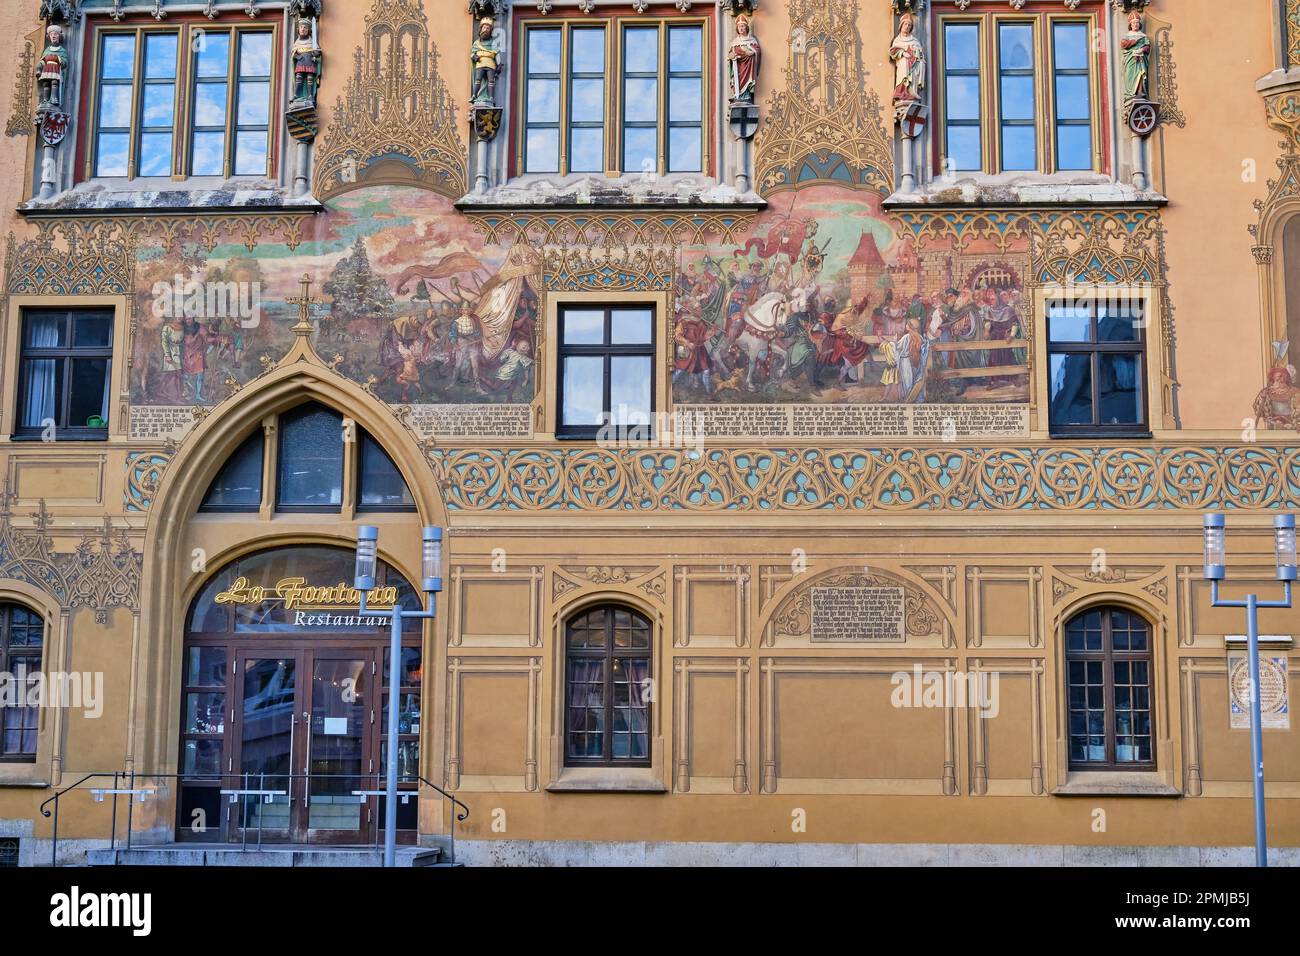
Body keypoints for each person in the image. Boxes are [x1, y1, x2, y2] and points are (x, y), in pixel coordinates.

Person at [889, 13, 925, 106]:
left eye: (909, 25)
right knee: (903, 68)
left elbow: (920, 52)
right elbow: (893, 51)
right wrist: (902, 53)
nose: (907, 27)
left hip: (913, 64)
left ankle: (912, 92)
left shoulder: (914, 40)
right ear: (901, 26)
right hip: (903, 63)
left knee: (919, 65)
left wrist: (916, 53)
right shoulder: (898, 40)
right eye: (905, 24)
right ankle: (901, 93)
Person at [727, 15, 761, 104]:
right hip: (738, 68)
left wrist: (753, 52)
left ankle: (746, 96)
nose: (741, 28)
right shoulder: (735, 42)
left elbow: (757, 50)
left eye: (742, 26)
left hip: (748, 67)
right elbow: (731, 53)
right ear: (737, 29)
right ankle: (737, 95)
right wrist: (731, 55)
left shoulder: (752, 40)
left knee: (747, 82)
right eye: (739, 27)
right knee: (737, 81)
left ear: (746, 27)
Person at [290, 19, 322, 109]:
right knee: (299, 78)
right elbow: (293, 53)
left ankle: (310, 95)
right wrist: (297, 56)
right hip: (301, 61)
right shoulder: (297, 43)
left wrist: (316, 53)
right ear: (298, 30)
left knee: (310, 79)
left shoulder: (312, 42)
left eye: (305, 27)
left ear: (309, 30)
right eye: (301, 27)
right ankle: (296, 95)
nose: (303, 29)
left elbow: (318, 52)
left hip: (309, 61)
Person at [1120, 10, 1150, 103]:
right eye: (1134, 23)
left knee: (1141, 74)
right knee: (1130, 75)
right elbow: (1124, 44)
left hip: (1141, 58)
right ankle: (1130, 94)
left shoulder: (1143, 36)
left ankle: (1140, 93)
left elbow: (1147, 47)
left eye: (1137, 22)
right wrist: (1133, 42)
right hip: (1131, 58)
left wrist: (1141, 50)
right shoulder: (1127, 35)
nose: (1136, 24)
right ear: (1130, 24)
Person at [471, 17, 502, 107]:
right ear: (481, 29)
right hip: (480, 62)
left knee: (491, 81)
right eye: (484, 27)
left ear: (490, 30)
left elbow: (496, 53)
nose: (486, 30)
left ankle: (491, 97)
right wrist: (474, 57)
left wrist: (499, 64)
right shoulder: (477, 43)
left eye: (488, 28)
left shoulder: (493, 42)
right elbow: (473, 52)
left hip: (490, 63)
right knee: (478, 80)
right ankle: (474, 95)